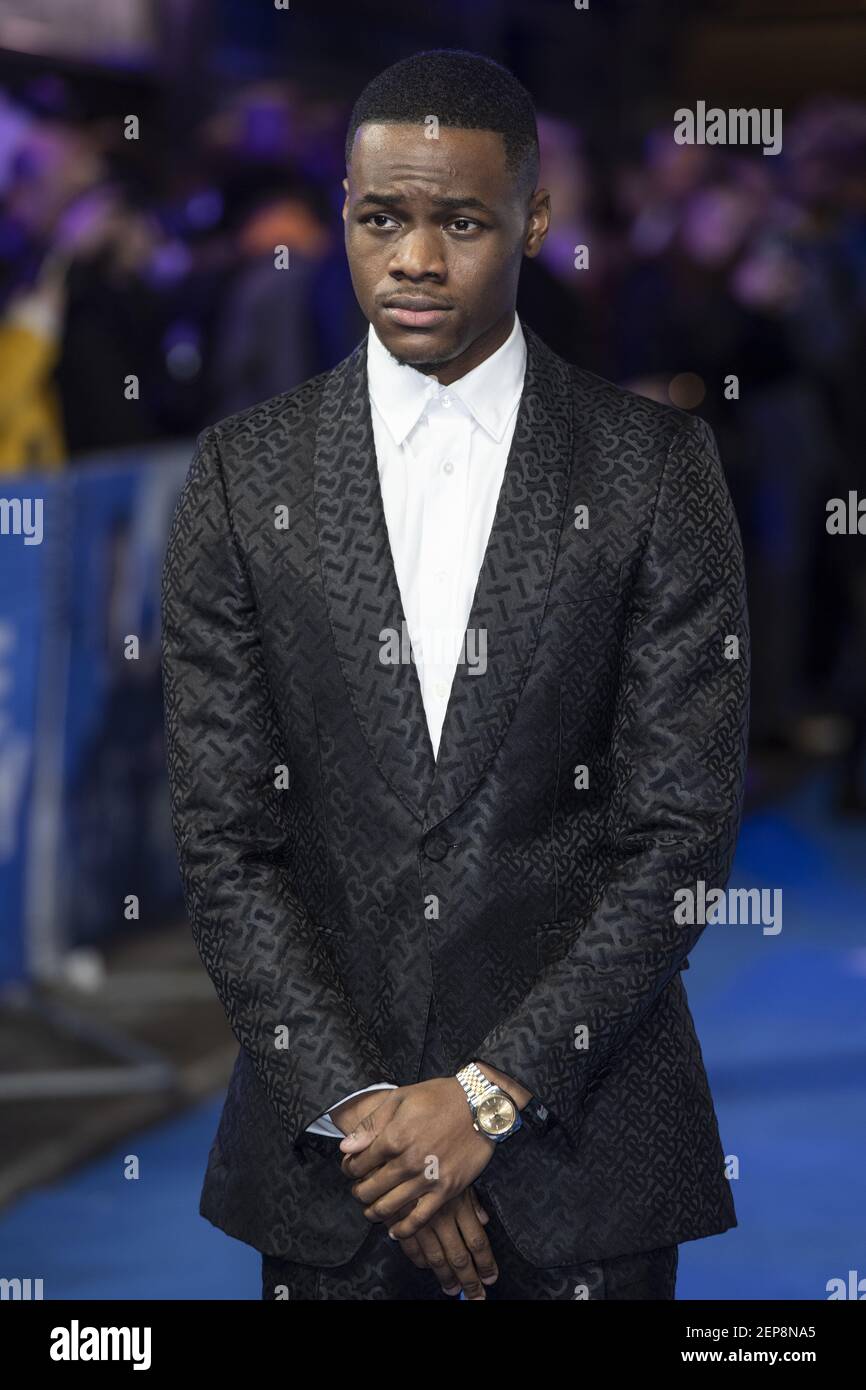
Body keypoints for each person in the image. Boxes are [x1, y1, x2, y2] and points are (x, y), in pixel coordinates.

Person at [161, 49, 750, 1301]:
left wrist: (487, 1097)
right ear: (342, 216)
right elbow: (224, 841)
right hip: (333, 1172)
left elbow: (679, 835)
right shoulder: (239, 477)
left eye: (459, 221)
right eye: (382, 217)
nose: (414, 259)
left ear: (533, 219)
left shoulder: (652, 470)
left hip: (586, 1164)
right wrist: (376, 1118)